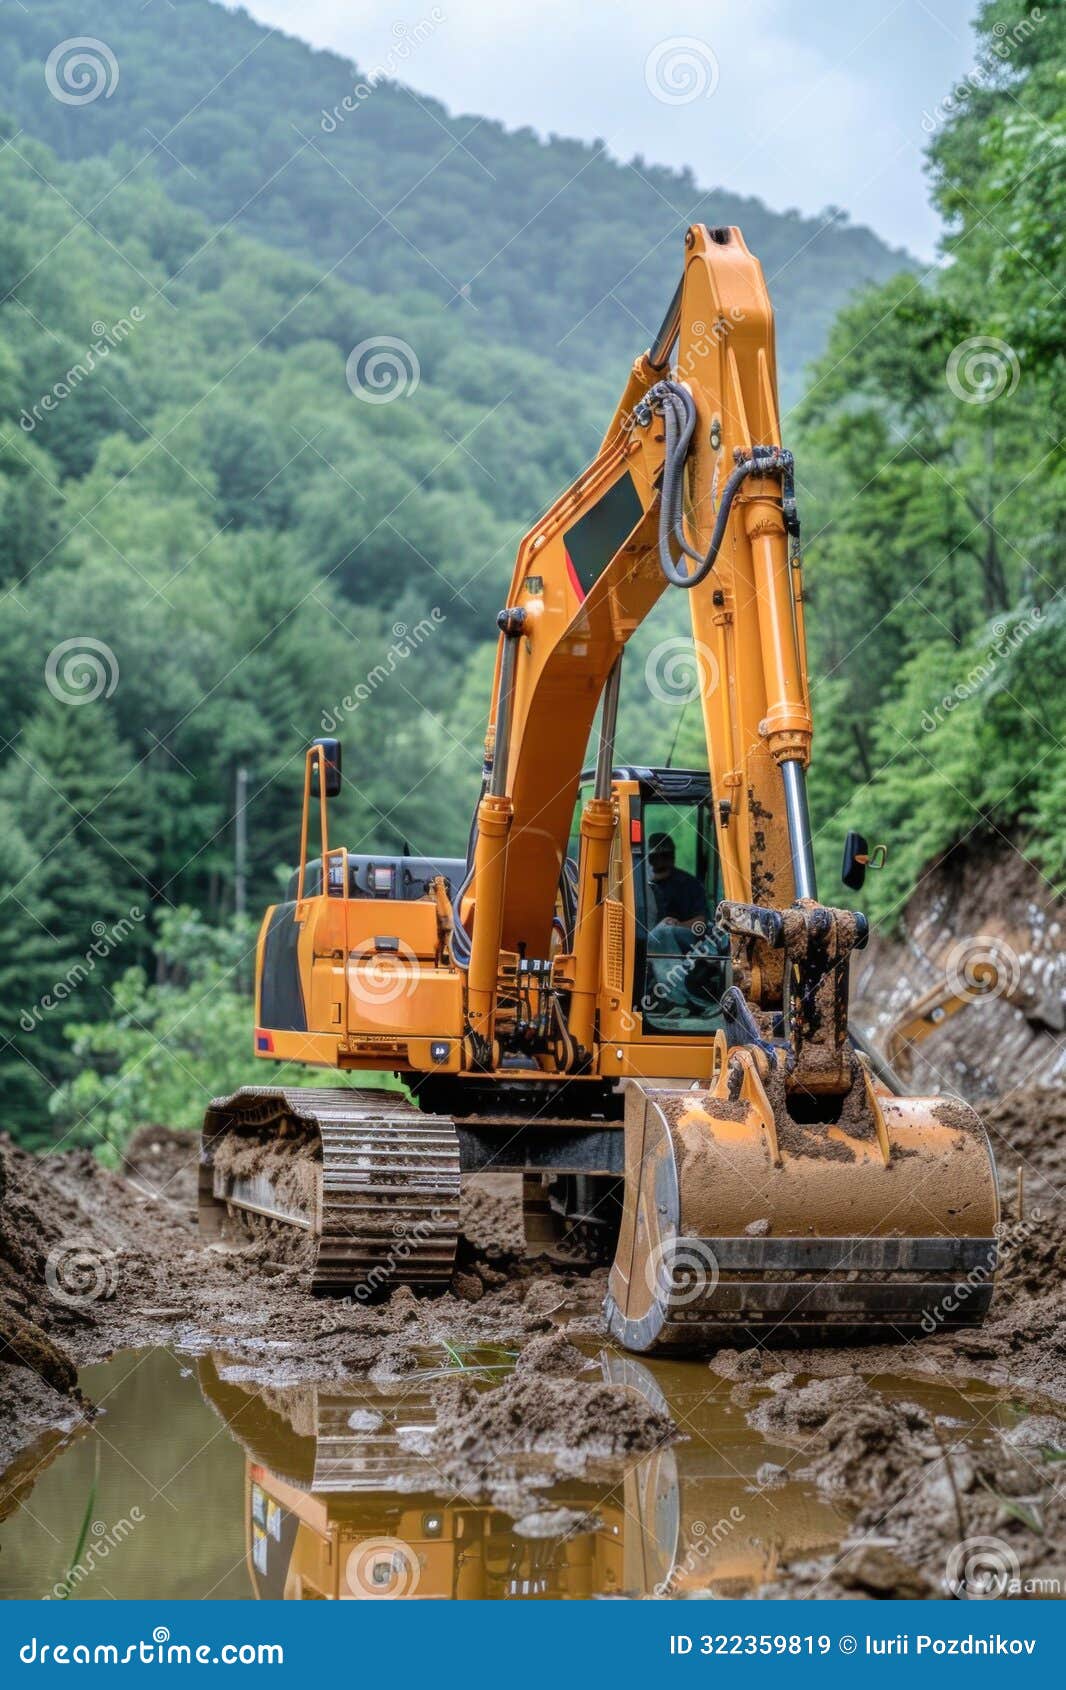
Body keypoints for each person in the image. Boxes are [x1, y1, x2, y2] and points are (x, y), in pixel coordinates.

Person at [645, 832, 709, 1012]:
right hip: (651, 943)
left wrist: (676, 925)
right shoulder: (643, 888)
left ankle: (677, 999)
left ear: (672, 856)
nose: (661, 861)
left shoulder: (688, 885)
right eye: (656, 857)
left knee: (663, 932)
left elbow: (701, 923)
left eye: (666, 856)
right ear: (649, 859)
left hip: (687, 940)